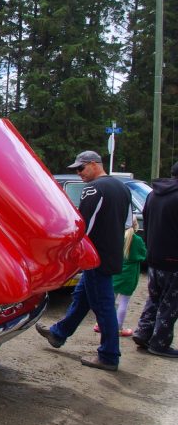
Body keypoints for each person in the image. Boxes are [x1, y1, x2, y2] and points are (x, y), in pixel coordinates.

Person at [35, 150, 131, 371]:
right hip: (110, 254)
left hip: (95, 257)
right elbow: (126, 223)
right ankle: (59, 333)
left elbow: (84, 226)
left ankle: (108, 355)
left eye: (81, 168)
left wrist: (70, 250)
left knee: (104, 306)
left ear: (94, 164)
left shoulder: (95, 189)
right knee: (82, 297)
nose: (79, 174)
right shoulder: (122, 188)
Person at [133, 161, 178, 358]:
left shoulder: (153, 194)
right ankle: (159, 344)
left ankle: (143, 333)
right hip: (174, 259)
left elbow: (147, 221)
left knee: (154, 297)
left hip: (154, 256)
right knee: (170, 303)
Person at [93, 215, 146, 336]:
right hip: (130, 276)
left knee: (109, 300)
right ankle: (118, 327)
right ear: (136, 225)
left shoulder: (117, 237)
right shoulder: (137, 240)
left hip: (116, 272)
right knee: (124, 302)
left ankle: (101, 324)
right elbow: (143, 255)